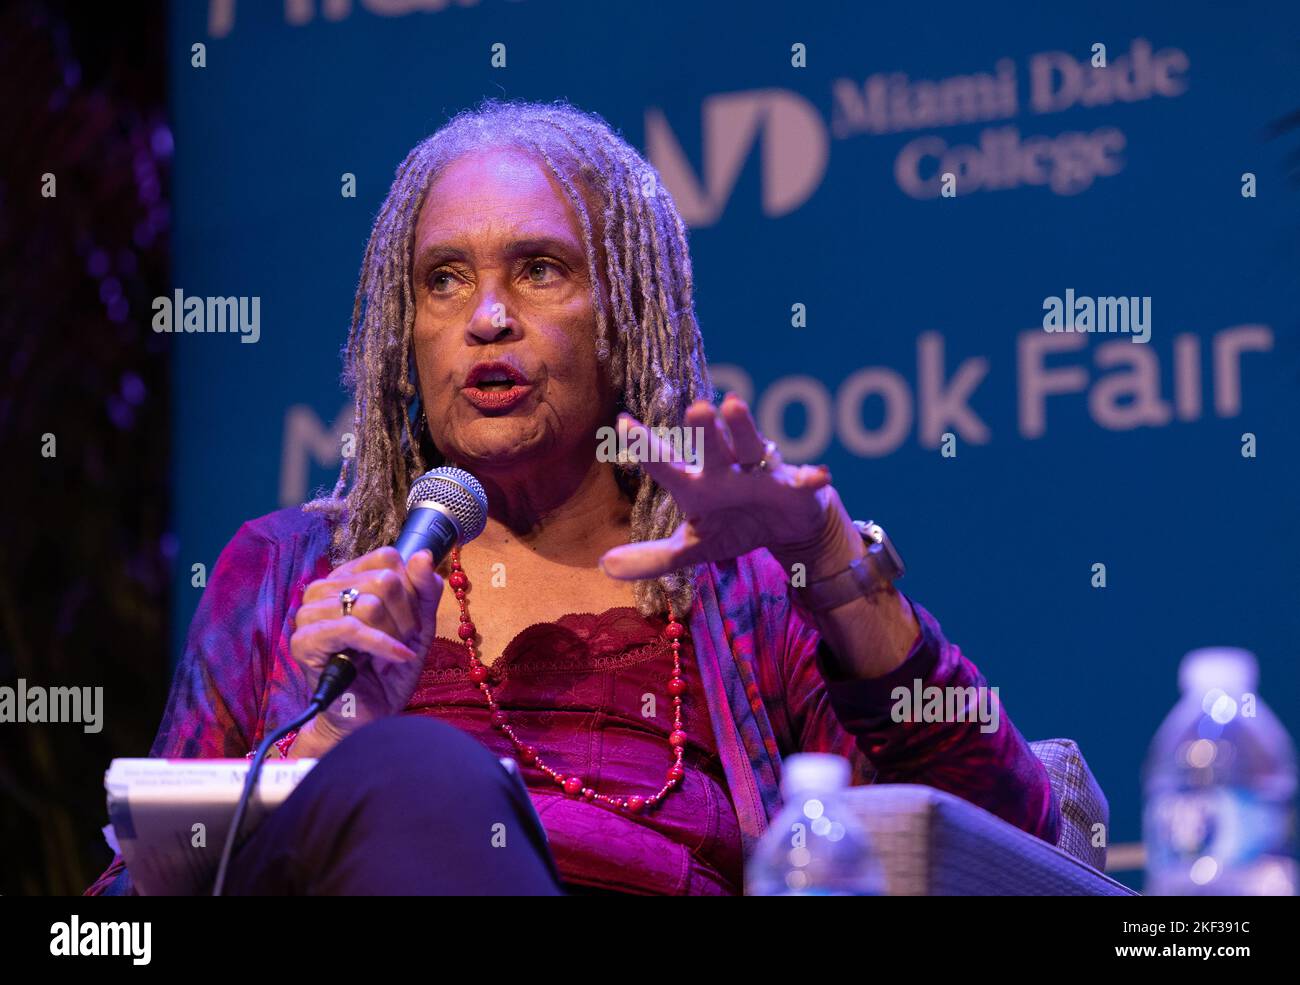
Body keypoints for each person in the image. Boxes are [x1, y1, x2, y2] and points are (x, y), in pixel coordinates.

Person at [87, 98, 1056, 896]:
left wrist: (833, 567)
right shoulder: (290, 573)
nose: (488, 318)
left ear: (626, 316)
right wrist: (333, 738)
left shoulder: (739, 591)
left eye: (539, 269)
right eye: (443, 280)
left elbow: (1017, 850)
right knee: (415, 774)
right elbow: (129, 912)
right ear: (404, 330)